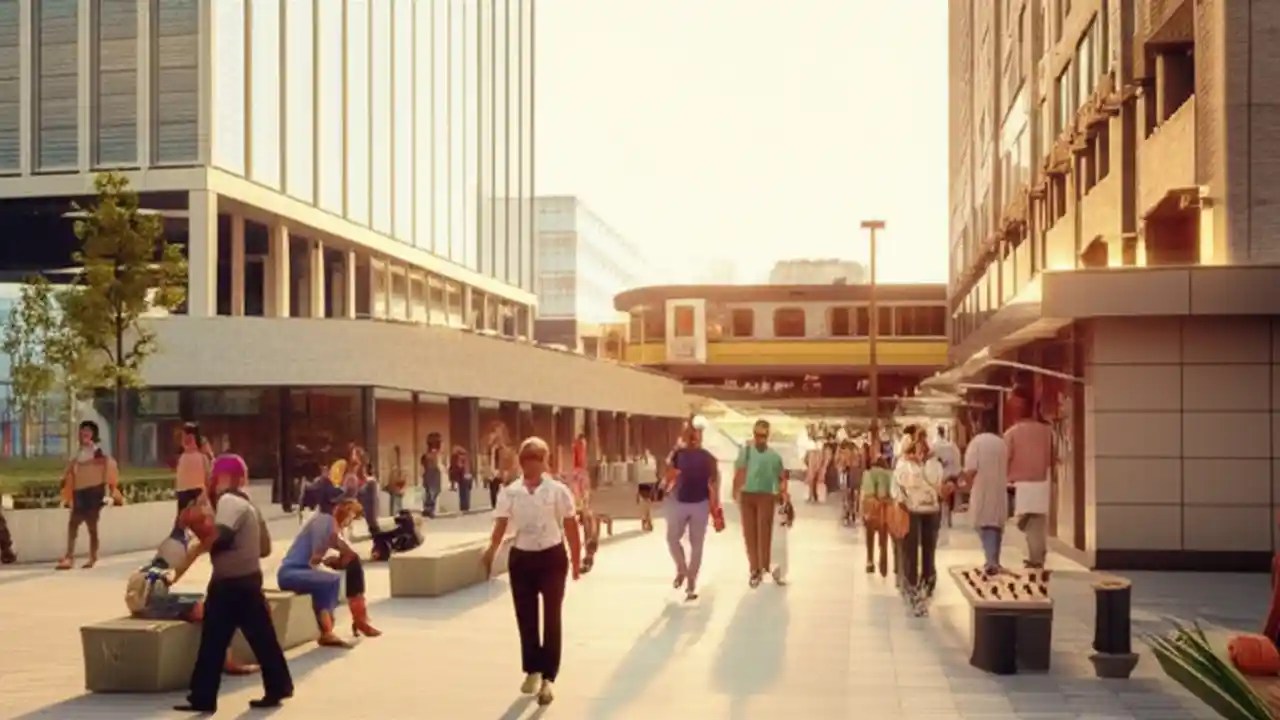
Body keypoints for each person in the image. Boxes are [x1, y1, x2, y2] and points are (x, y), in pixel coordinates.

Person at [171, 454, 293, 713]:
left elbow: (222, 538)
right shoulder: (250, 506)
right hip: (249, 581)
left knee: (213, 641)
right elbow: (264, 548)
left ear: (224, 477)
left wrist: (195, 527)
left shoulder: (228, 501)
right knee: (262, 639)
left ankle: (203, 697)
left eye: (214, 476)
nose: (212, 482)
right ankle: (279, 685)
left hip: (229, 585)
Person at [481, 437, 582, 707]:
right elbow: (501, 524)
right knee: (526, 616)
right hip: (522, 557)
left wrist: (576, 556)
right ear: (522, 463)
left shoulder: (558, 491)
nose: (531, 467)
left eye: (537, 460)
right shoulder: (510, 492)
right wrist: (491, 550)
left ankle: (549, 677)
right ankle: (532, 670)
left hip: (551, 556)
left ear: (544, 461)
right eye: (527, 461)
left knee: (552, 616)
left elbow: (570, 524)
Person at [124, 520, 257, 676]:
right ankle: (225, 662)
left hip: (150, 594)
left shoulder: (189, 538)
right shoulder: (182, 543)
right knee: (215, 610)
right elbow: (170, 574)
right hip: (150, 599)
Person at [278, 498, 381, 647]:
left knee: (346, 568)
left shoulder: (333, 526)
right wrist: (331, 560)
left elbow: (349, 554)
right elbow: (315, 558)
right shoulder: (324, 521)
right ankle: (331, 630)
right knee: (332, 580)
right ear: (342, 508)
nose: (351, 519)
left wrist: (342, 558)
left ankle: (358, 619)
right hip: (292, 572)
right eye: (351, 513)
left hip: (304, 572)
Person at [664, 426, 721, 601]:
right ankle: (683, 571)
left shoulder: (705, 457)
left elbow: (714, 483)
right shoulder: (680, 455)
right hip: (686, 502)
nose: (691, 439)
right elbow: (669, 474)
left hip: (697, 503)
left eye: (692, 436)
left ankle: (690, 581)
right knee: (677, 540)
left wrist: (715, 507)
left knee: (692, 543)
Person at [57, 421, 121, 570]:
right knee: (73, 524)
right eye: (82, 430)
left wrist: (106, 490)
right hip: (79, 492)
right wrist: (64, 479)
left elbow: (107, 469)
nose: (84, 433)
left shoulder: (97, 451)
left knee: (92, 526)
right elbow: (71, 467)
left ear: (93, 434)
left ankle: (92, 557)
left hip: (93, 492)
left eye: (87, 431)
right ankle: (69, 557)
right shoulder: (78, 452)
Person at [733, 419, 789, 588]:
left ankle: (764, 565)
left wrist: (783, 494)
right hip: (747, 495)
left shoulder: (774, 457)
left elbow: (781, 478)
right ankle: (754, 569)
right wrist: (736, 491)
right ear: (754, 434)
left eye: (763, 435)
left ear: (767, 436)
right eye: (757, 435)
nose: (760, 439)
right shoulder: (746, 452)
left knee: (764, 532)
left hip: (766, 496)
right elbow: (739, 472)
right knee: (749, 533)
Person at [892, 435, 943, 616]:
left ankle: (926, 586)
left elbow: (938, 484)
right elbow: (901, 485)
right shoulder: (904, 465)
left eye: (923, 448)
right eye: (917, 448)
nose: (920, 453)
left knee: (929, 552)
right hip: (911, 512)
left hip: (931, 511)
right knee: (910, 552)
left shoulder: (933, 465)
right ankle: (912, 588)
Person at [1005, 390, 1055, 569]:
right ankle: (1038, 555)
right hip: (1042, 480)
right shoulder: (1047, 432)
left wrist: (1004, 477)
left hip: (1021, 483)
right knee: (1038, 521)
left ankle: (1037, 557)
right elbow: (1053, 457)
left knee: (1026, 520)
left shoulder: (1012, 433)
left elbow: (1006, 457)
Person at [963, 412, 1009, 575]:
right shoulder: (1002, 443)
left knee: (984, 524)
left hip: (982, 488)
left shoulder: (976, 443)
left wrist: (966, 486)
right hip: (999, 488)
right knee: (996, 524)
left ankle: (991, 561)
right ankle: (994, 559)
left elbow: (971, 470)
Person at [172, 422, 211, 541]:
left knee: (196, 517)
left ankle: (202, 537)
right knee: (182, 518)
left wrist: (205, 491)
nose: (184, 439)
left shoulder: (201, 455)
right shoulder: (184, 456)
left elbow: (207, 474)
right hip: (184, 489)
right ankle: (179, 537)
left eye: (186, 435)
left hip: (197, 488)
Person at [862, 454, 893, 576]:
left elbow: (866, 493)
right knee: (883, 536)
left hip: (871, 509)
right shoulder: (889, 474)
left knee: (870, 536)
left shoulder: (868, 473)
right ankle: (883, 559)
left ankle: (870, 561)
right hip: (884, 509)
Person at [932, 427, 962, 528]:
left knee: (940, 498)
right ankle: (949, 519)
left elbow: (934, 460)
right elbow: (957, 460)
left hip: (941, 475)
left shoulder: (935, 445)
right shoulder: (952, 446)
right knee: (950, 498)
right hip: (951, 474)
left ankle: (940, 518)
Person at [420, 434, 444, 517]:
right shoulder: (434, 454)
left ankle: (428, 508)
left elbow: (423, 463)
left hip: (428, 473)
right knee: (432, 492)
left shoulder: (427, 454)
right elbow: (437, 464)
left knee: (430, 492)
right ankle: (430, 509)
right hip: (433, 473)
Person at [449, 446, 474, 512]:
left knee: (463, 492)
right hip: (468, 476)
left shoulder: (459, 457)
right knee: (467, 492)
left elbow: (459, 466)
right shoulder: (467, 457)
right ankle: (467, 506)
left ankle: (464, 507)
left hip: (463, 476)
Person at [385, 445, 407, 516]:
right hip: (395, 489)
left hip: (397, 489)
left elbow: (402, 479)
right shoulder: (393, 470)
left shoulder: (397, 469)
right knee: (395, 503)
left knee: (397, 503)